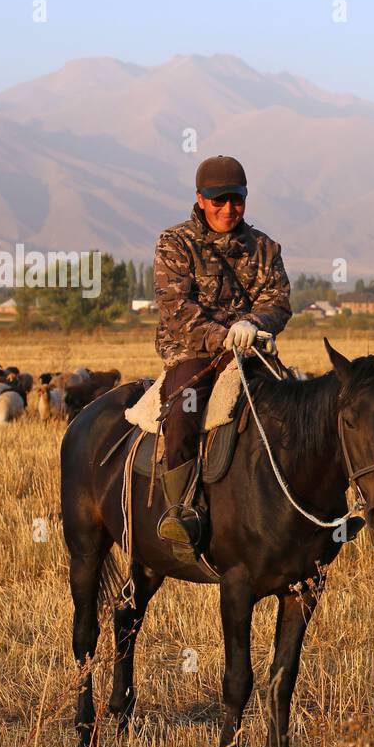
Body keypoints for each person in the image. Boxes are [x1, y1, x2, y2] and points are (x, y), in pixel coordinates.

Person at [153, 155, 291, 547]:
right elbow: (177, 310)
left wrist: (255, 326)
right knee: (183, 412)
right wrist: (224, 336)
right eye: (219, 200)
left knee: (297, 410)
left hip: (251, 352)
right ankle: (180, 512)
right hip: (191, 352)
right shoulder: (173, 243)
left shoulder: (264, 248)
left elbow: (277, 301)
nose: (229, 209)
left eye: (237, 200)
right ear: (200, 199)